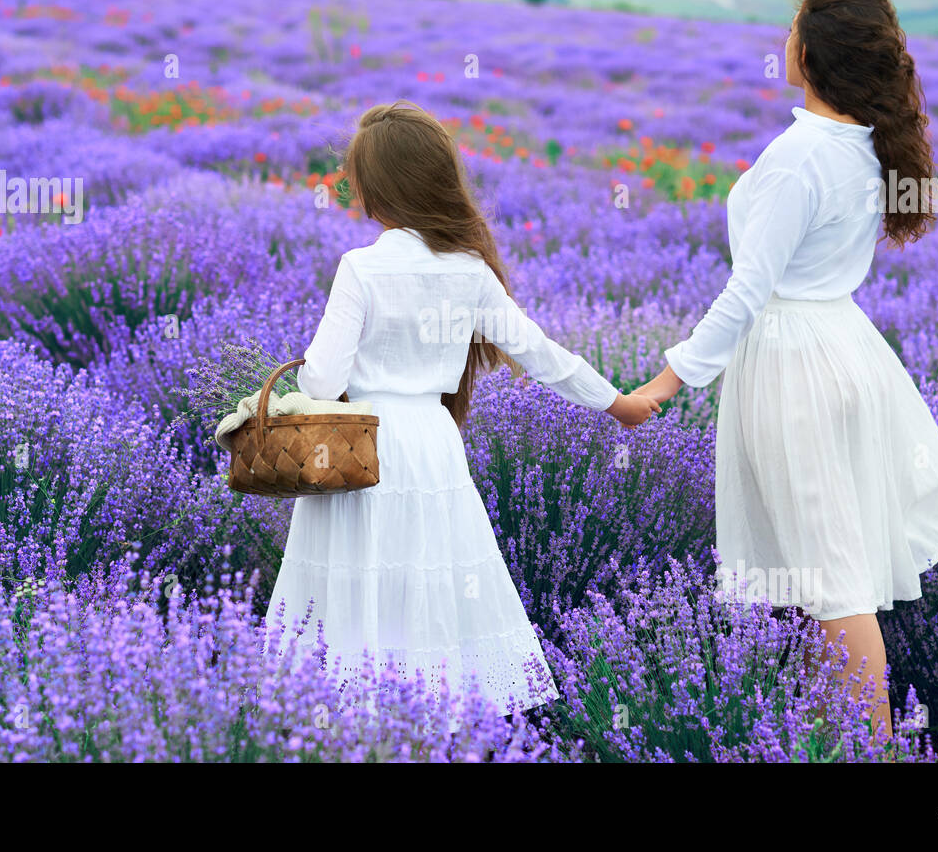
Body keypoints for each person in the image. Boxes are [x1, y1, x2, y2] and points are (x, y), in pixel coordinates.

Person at [636, 0, 938, 738]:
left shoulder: (796, 160)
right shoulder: (859, 142)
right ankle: (832, 746)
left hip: (792, 367)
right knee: (824, 581)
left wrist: (664, 383)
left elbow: (747, 292)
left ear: (810, 55)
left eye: (791, 30)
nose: (783, 41)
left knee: (832, 584)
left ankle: (871, 751)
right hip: (844, 348)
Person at [266, 100, 660, 718]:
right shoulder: (469, 269)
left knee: (356, 582)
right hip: (431, 443)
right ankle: (429, 725)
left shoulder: (361, 268)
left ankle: (349, 726)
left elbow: (320, 377)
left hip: (361, 445)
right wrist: (618, 403)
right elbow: (539, 352)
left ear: (375, 187)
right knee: (430, 584)